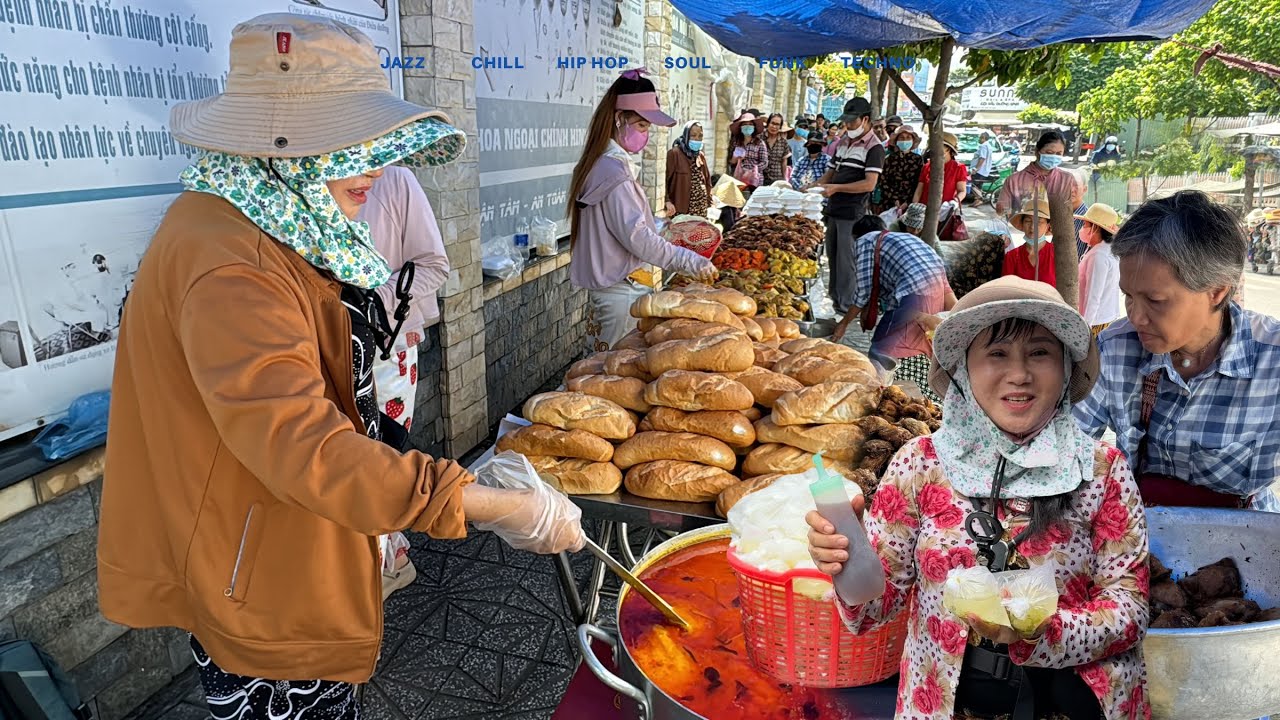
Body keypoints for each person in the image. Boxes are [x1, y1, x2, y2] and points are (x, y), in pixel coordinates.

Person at [97, 15, 587, 718]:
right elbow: (306, 449)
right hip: (261, 577)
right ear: (281, 144)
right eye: (351, 142)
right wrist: (488, 503)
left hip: (290, 546)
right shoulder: (228, 260)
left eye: (374, 142)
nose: (376, 166)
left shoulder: (270, 219)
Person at [811, 276, 1150, 720]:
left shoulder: (1101, 469)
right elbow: (871, 613)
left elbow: (1130, 609)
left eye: (1040, 353)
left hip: (1074, 703)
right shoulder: (921, 464)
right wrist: (845, 555)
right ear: (964, 369)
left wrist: (1040, 631)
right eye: (996, 354)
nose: (1020, 374)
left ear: (1066, 366)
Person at [1075, 191, 1280, 510]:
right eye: (1128, 295)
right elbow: (1070, 447)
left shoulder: (1273, 362)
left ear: (1217, 290)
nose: (1135, 316)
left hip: (1246, 539)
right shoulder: (1114, 349)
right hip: (1140, 530)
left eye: (1155, 300)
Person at [569, 72, 716, 352]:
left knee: (601, 371)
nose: (644, 134)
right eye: (641, 124)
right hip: (621, 294)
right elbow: (637, 238)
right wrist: (690, 261)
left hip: (614, 293)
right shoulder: (613, 172)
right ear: (617, 119)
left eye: (647, 127)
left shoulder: (602, 164)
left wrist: (661, 224)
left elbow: (620, 227)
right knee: (611, 376)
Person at [358, 164, 452, 598]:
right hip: (321, 353)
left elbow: (433, 265)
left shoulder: (393, 181)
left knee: (381, 455)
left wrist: (368, 303)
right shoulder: (297, 184)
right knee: (344, 467)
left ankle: (380, 567)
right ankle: (366, 568)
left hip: (386, 350)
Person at [830, 214, 956, 396]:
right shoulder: (907, 238)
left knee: (883, 351)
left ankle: (882, 395)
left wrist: (843, 324)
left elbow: (863, 291)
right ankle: (918, 393)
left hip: (912, 299)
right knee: (921, 344)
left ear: (857, 236)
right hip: (934, 293)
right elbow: (947, 292)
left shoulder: (865, 241)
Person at [806, 97, 884, 313]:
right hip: (833, 208)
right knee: (832, 256)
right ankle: (834, 301)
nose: (847, 126)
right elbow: (831, 172)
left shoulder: (874, 148)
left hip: (852, 211)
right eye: (846, 122)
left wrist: (837, 188)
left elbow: (869, 184)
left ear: (865, 119)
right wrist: (814, 186)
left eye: (852, 121)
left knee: (846, 260)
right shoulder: (843, 142)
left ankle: (847, 305)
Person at [997, 130, 1075, 222]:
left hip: (1056, 233)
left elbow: (1072, 210)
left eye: (1059, 154)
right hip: (1020, 231)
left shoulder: (1067, 179)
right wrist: (1019, 214)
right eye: (1049, 152)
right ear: (1037, 151)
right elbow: (1002, 210)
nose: (1054, 157)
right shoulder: (1014, 180)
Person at [1074, 203, 1123, 338]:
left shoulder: (1099, 256)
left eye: (1085, 225)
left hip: (1095, 322)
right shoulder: (1106, 249)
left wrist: (1085, 327)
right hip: (1102, 318)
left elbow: (1093, 296)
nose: (1082, 229)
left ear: (1095, 227)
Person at [1003, 192, 1057, 287]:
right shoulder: (1012, 257)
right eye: (1028, 221)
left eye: (1039, 222)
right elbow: (1006, 290)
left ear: (1048, 226)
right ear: (1022, 224)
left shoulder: (1057, 255)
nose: (1032, 227)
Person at [665, 120, 712, 217]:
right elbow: (665, 181)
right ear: (686, 136)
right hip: (682, 211)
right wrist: (667, 201)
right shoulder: (675, 154)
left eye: (700, 136)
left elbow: (707, 181)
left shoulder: (700, 156)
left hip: (700, 211)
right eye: (693, 136)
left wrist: (709, 201)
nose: (697, 139)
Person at [877, 124, 924, 212]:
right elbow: (883, 181)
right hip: (889, 202)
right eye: (901, 138)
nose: (904, 140)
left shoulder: (918, 159)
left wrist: (907, 201)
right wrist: (895, 200)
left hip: (910, 203)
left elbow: (918, 182)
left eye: (908, 138)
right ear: (896, 140)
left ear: (913, 141)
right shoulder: (889, 159)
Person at [913, 132, 968, 207]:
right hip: (924, 209)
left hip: (945, 210)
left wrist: (954, 202)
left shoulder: (958, 167)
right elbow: (919, 191)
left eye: (937, 146)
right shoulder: (927, 166)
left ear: (948, 149)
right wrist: (914, 206)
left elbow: (962, 191)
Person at [727, 111, 768, 189]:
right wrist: (734, 159)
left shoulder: (760, 143)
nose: (747, 126)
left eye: (750, 124)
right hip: (738, 179)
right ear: (741, 127)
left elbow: (764, 162)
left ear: (754, 127)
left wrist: (752, 170)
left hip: (755, 180)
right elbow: (730, 161)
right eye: (745, 124)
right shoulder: (735, 142)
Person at [763, 113, 793, 185]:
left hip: (776, 179)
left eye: (777, 124)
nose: (774, 127)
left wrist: (784, 178)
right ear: (768, 123)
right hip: (761, 178)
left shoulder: (783, 142)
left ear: (780, 127)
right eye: (772, 123)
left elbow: (784, 161)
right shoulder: (760, 138)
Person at [970, 131, 995, 203]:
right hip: (984, 170)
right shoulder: (988, 146)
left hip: (980, 170)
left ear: (983, 138)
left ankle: (980, 198)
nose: (978, 139)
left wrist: (976, 169)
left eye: (980, 137)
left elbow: (982, 158)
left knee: (972, 184)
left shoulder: (983, 146)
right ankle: (977, 200)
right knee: (978, 186)